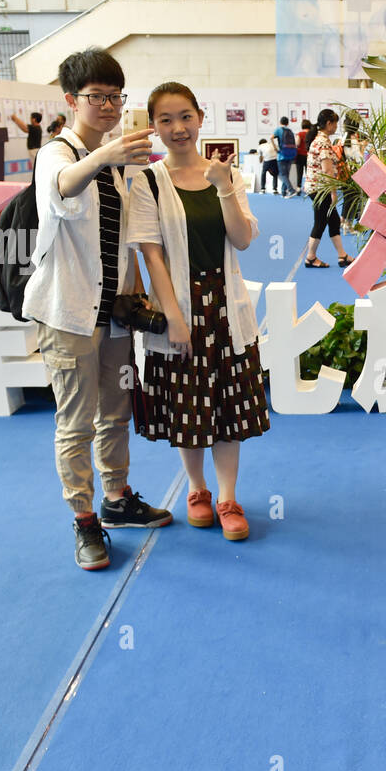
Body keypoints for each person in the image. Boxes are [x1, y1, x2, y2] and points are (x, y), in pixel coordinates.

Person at [21, 47, 172, 571]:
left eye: (115, 97)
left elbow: (131, 237)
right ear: (71, 100)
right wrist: (105, 157)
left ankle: (117, 498)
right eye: (97, 97)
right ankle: (85, 523)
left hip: (114, 315)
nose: (108, 106)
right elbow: (64, 188)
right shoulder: (57, 156)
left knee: (117, 410)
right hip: (66, 314)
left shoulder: (117, 161)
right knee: (75, 421)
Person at [128, 82, 269, 539]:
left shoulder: (226, 174)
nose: (177, 128)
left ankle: (228, 497)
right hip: (180, 305)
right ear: (154, 127)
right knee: (188, 405)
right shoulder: (148, 181)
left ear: (200, 118)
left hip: (227, 308)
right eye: (166, 120)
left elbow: (243, 239)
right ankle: (197, 489)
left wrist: (224, 187)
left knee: (229, 405)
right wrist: (173, 318)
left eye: (185, 116)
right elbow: (152, 255)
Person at [303, 108, 352, 268]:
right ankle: (310, 257)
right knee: (320, 222)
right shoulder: (323, 142)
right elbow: (327, 170)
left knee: (333, 220)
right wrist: (333, 193)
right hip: (320, 189)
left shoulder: (319, 140)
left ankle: (342, 255)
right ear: (329, 123)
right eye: (335, 123)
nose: (337, 126)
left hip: (316, 187)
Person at [272, 116, 298, 196]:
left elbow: (271, 138)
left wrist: (275, 148)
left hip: (282, 155)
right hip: (290, 154)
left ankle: (291, 190)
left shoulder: (278, 130)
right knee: (286, 174)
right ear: (287, 123)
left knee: (283, 174)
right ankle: (283, 192)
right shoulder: (290, 131)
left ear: (280, 122)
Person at [295, 119, 312, 194]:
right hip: (309, 155)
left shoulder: (300, 134)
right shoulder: (312, 134)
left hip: (300, 155)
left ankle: (298, 187)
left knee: (299, 172)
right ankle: (309, 187)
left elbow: (297, 144)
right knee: (308, 172)